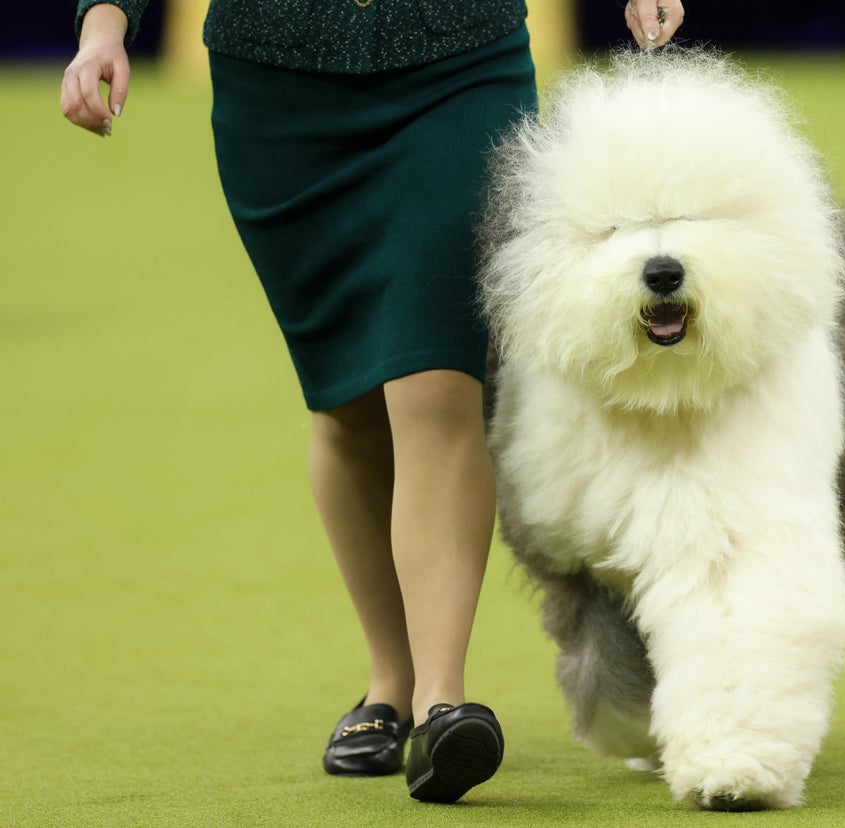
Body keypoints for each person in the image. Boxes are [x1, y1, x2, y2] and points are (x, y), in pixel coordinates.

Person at [61, 0, 684, 806]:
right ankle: (389, 681)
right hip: (277, 86)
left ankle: (442, 704)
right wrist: (103, 25)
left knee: (438, 382)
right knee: (348, 404)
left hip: (458, 62)